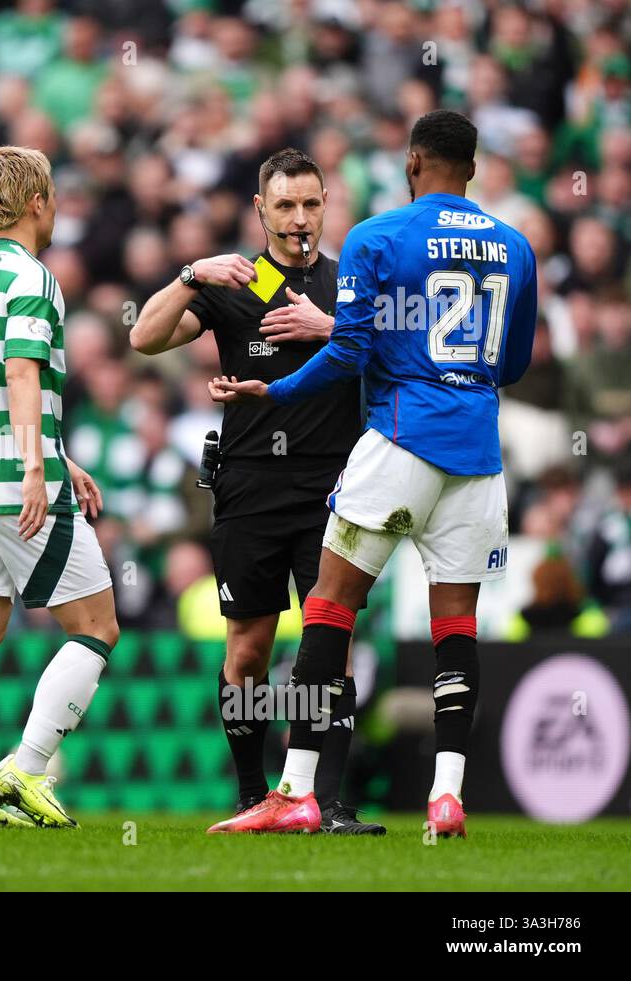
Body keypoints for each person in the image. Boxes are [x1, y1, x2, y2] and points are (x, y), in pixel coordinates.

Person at [211, 110, 538, 836]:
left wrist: (278, 390)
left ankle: (294, 791)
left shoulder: (378, 238)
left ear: (413, 161)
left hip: (399, 440)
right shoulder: (515, 246)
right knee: (455, 624)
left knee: (330, 604)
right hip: (478, 458)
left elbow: (351, 351)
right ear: (473, 169)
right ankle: (446, 795)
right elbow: (512, 364)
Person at [131, 147, 383, 835]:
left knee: (332, 646)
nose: (300, 219)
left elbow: (402, 354)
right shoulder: (231, 282)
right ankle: (252, 793)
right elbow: (143, 336)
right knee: (248, 647)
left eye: (311, 203)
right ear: (260, 211)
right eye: (286, 205)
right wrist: (190, 274)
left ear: (327, 204)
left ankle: (327, 801)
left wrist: (329, 327)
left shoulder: (351, 285)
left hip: (337, 488)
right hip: (249, 485)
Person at [0, 145, 119, 829]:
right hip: (15, 481)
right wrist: (37, 466)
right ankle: (27, 765)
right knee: (96, 625)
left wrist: (54, 451)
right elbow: (19, 372)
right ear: (39, 201)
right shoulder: (33, 275)